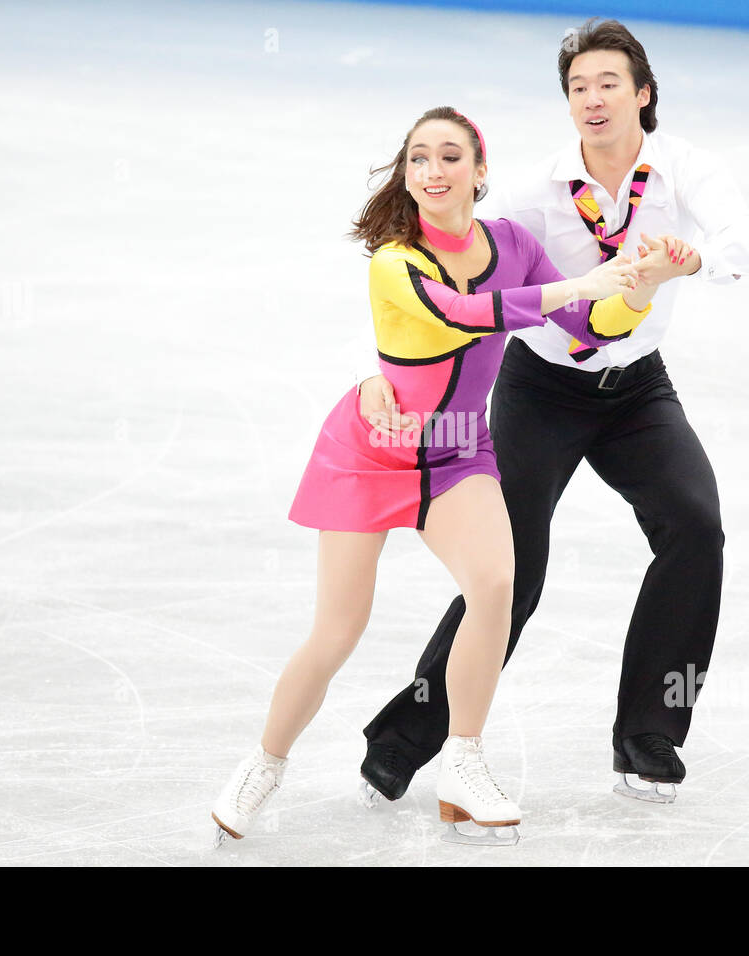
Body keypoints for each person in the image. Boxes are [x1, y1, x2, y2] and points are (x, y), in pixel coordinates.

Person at [210, 105, 663, 847]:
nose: (432, 171)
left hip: (457, 453)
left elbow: (590, 331)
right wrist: (582, 284)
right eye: (419, 158)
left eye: (450, 157)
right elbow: (462, 315)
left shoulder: (512, 245)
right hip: (369, 456)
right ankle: (265, 761)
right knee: (337, 632)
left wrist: (639, 286)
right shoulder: (396, 261)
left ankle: (463, 760)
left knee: (493, 585)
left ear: (480, 172)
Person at [357, 19, 749, 805]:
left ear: (643, 95)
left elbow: (744, 244)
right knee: (511, 570)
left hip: (637, 389)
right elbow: (441, 262)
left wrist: (694, 259)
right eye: (578, 88)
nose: (593, 99)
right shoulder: (534, 190)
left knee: (694, 525)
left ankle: (648, 733)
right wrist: (384, 377)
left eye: (609, 83)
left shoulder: (685, 170)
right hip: (539, 391)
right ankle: (404, 738)